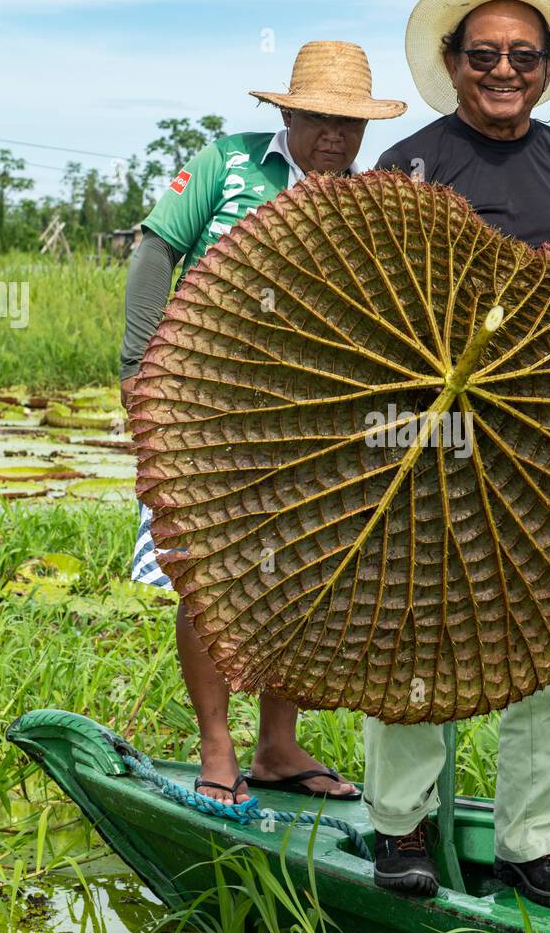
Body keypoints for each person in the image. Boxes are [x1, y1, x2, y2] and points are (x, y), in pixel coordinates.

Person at [363, 0, 550, 907]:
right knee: (419, 637)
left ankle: (530, 845)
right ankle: (399, 830)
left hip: (548, 449)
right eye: (484, 54)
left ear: (548, 68)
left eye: (523, 55)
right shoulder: (410, 166)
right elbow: (371, 315)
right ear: (451, 62)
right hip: (433, 443)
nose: (504, 70)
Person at [120, 41, 407, 803]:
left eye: (350, 123)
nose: (335, 136)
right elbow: (155, 253)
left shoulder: (369, 195)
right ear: (288, 111)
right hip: (205, 407)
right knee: (209, 582)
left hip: (318, 418)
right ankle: (218, 751)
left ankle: (277, 746)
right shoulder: (231, 161)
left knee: (307, 581)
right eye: (319, 118)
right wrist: (137, 369)